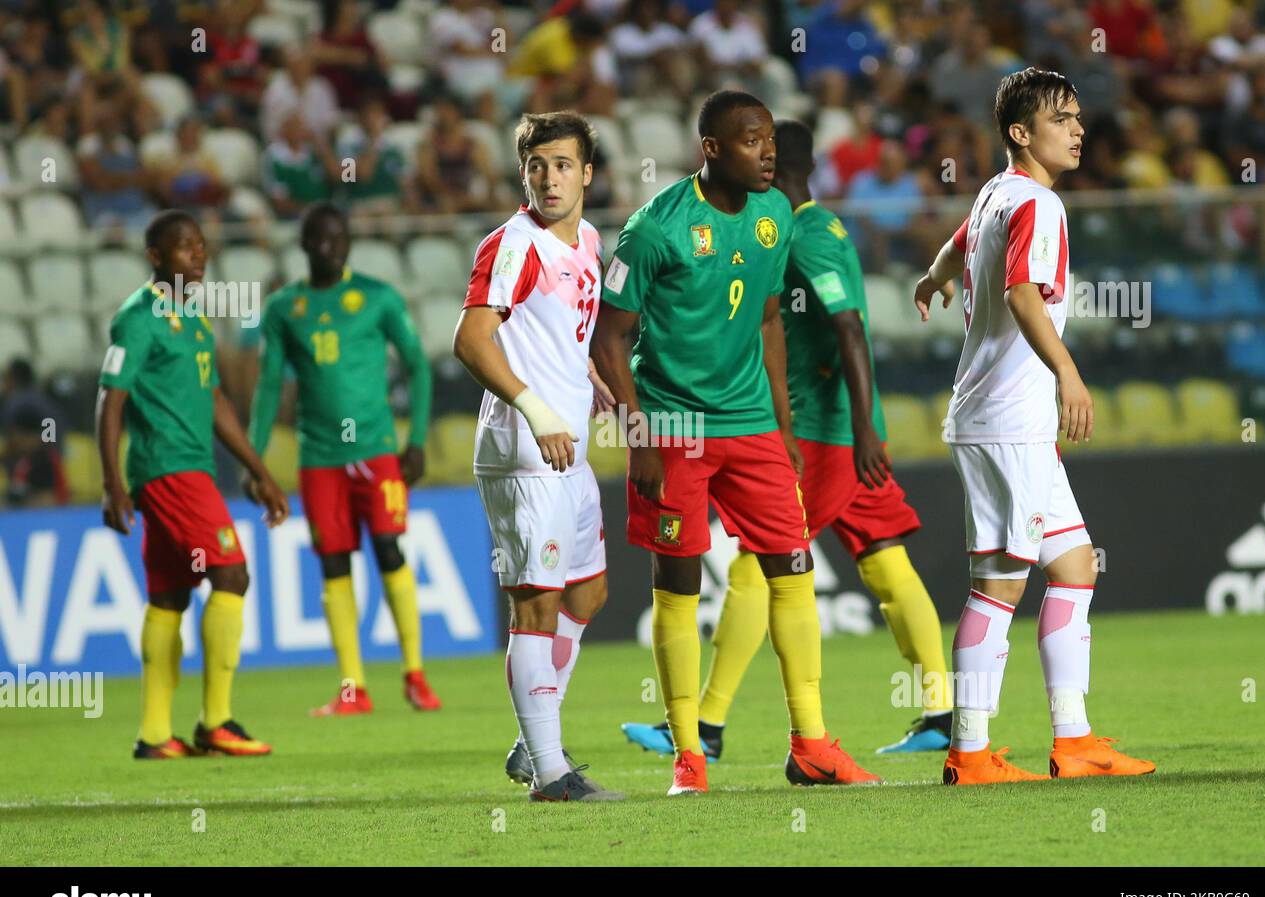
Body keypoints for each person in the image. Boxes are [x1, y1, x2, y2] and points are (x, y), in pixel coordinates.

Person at [620, 119, 952, 762]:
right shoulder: (810, 225)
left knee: (758, 564)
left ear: (781, 163)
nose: (761, 157)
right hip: (838, 427)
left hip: (824, 433)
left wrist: (856, 430)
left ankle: (706, 726)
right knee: (885, 563)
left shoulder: (802, 233)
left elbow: (849, 330)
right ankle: (939, 705)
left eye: (767, 148)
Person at [592, 90, 879, 796]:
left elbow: (771, 319)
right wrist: (640, 435)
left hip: (751, 426)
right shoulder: (653, 230)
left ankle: (811, 744)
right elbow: (609, 336)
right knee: (682, 586)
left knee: (793, 571)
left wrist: (781, 427)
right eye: (751, 140)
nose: (767, 151)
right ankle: (689, 757)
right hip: (674, 429)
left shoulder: (775, 216)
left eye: (770, 140)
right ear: (711, 149)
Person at [912, 68, 1156, 784]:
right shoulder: (1039, 204)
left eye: (1079, 117)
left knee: (1075, 568)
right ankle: (970, 751)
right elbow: (1021, 293)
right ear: (1022, 133)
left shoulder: (998, 191)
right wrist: (1069, 373)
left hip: (1009, 423)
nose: (1079, 129)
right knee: (999, 585)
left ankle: (1074, 741)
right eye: (1062, 119)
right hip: (1007, 422)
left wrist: (933, 277)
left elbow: (959, 242)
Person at [454, 111, 622, 803]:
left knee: (590, 592)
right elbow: (472, 340)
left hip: (567, 448)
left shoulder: (586, 239)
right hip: (526, 450)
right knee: (536, 607)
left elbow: (552, 330)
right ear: (523, 172)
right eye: (536, 165)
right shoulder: (512, 244)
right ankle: (551, 775)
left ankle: (536, 736)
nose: (548, 177)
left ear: (587, 173)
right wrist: (537, 406)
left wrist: (586, 376)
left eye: (561, 165)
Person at [96, 209, 287, 760]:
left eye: (201, 245)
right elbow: (112, 400)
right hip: (168, 469)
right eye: (184, 247)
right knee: (232, 572)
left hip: (189, 468)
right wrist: (113, 483)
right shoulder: (137, 317)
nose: (198, 255)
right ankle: (216, 721)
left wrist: (259, 468)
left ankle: (156, 734)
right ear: (155, 257)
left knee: (169, 594)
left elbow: (216, 402)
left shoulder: (196, 320)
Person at [249, 202, 440, 716]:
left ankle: (415, 675)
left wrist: (416, 439)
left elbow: (419, 367)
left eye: (338, 238)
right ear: (305, 245)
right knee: (333, 563)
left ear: (349, 243)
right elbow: (269, 387)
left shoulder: (377, 298)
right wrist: (255, 457)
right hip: (319, 459)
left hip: (378, 455)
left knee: (388, 550)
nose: (329, 246)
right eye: (319, 239)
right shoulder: (284, 309)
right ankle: (353, 687)